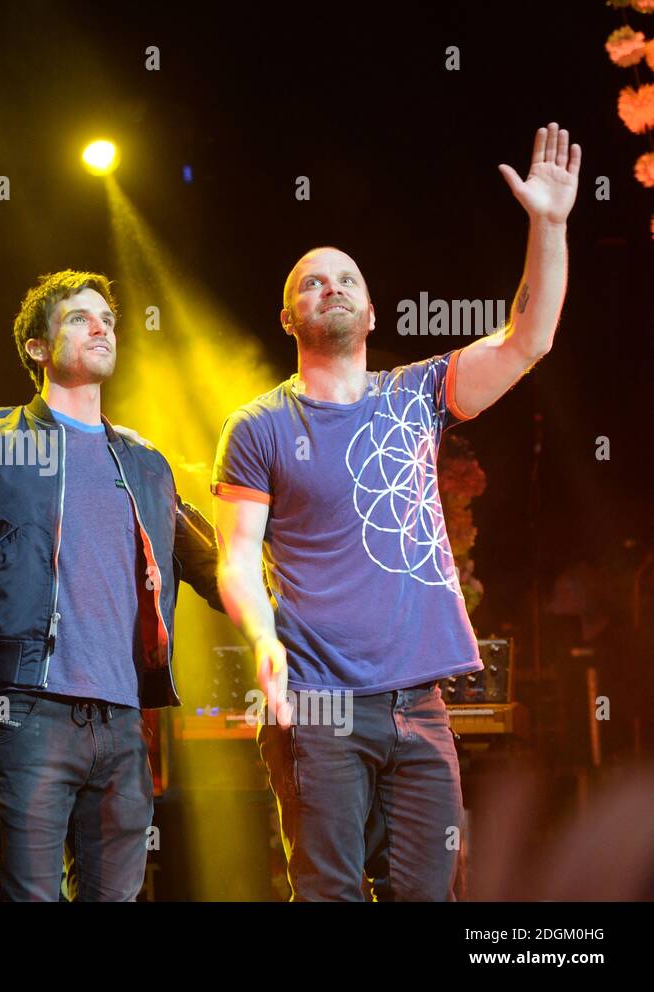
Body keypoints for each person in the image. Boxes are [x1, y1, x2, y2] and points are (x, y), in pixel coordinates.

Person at [212, 123, 580, 900]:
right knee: (329, 891)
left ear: (373, 312)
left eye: (346, 278)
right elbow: (237, 557)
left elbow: (529, 340)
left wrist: (548, 225)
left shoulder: (417, 392)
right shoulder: (257, 426)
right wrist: (261, 639)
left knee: (429, 891)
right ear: (288, 317)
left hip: (420, 703)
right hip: (318, 702)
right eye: (312, 282)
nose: (332, 287)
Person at [0, 270, 223, 901]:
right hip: (28, 709)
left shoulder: (146, 464)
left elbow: (215, 569)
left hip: (123, 722)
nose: (102, 328)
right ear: (37, 346)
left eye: (108, 319)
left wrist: (297, 601)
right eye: (80, 318)